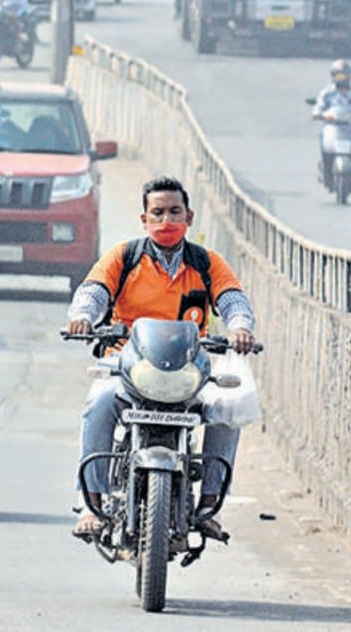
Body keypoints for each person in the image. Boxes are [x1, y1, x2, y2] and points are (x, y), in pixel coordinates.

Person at [65, 175, 257, 543]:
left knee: (228, 409)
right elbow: (93, 292)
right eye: (157, 213)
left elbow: (233, 299)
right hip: (126, 364)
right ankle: (91, 502)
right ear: (144, 219)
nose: (166, 220)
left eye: (174, 211)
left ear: (189, 216)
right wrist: (83, 317)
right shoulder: (124, 257)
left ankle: (209, 505)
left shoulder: (206, 263)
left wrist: (240, 328)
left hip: (188, 369)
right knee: (99, 403)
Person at [310, 59, 351, 183]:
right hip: (332, 127)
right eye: (338, 75)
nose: (341, 78)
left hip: (349, 127)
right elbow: (318, 107)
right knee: (325, 143)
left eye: (343, 75)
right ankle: (325, 170)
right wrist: (318, 114)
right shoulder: (326, 93)